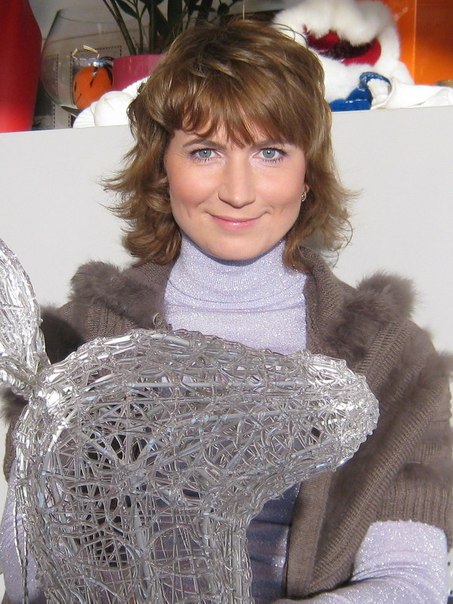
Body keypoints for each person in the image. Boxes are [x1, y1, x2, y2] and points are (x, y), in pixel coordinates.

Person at [1, 18, 452, 604]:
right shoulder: (78, 345)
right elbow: (32, 573)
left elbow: (411, 580)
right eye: (205, 151)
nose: (238, 191)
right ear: (163, 166)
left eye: (270, 152)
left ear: (307, 172)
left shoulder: (390, 356)